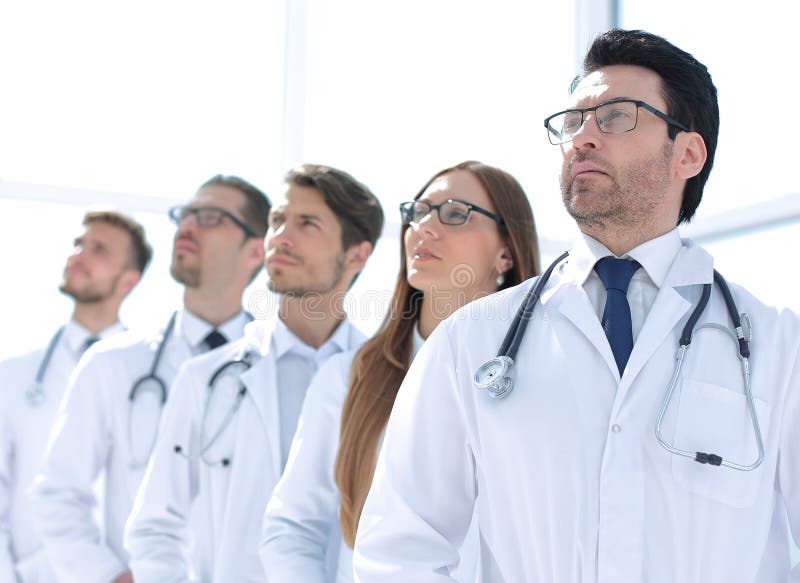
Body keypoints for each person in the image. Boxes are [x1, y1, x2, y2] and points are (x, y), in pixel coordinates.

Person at [353, 29, 800, 582]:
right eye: (573, 122)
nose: (583, 138)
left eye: (615, 117)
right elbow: (399, 550)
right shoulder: (470, 342)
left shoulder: (779, 347)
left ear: (687, 153)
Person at [260, 160, 541, 582]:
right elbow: (291, 530)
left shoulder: (543, 379)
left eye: (455, 213)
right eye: (418, 212)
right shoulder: (348, 378)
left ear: (506, 251)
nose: (424, 227)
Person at [124, 163, 384, 583]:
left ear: (357, 254)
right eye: (277, 220)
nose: (280, 236)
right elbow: (155, 528)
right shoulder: (206, 378)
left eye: (307, 223)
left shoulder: (388, 384)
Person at [31, 175, 271, 583]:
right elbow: (58, 495)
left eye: (210, 217)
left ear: (256, 250)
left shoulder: (273, 371)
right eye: (186, 215)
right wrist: (109, 576)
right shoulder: (112, 364)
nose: (187, 226)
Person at [0, 210, 150, 583]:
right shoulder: (12, 375)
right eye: (79, 244)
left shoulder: (148, 379)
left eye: (99, 249)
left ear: (128, 280)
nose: (78, 255)